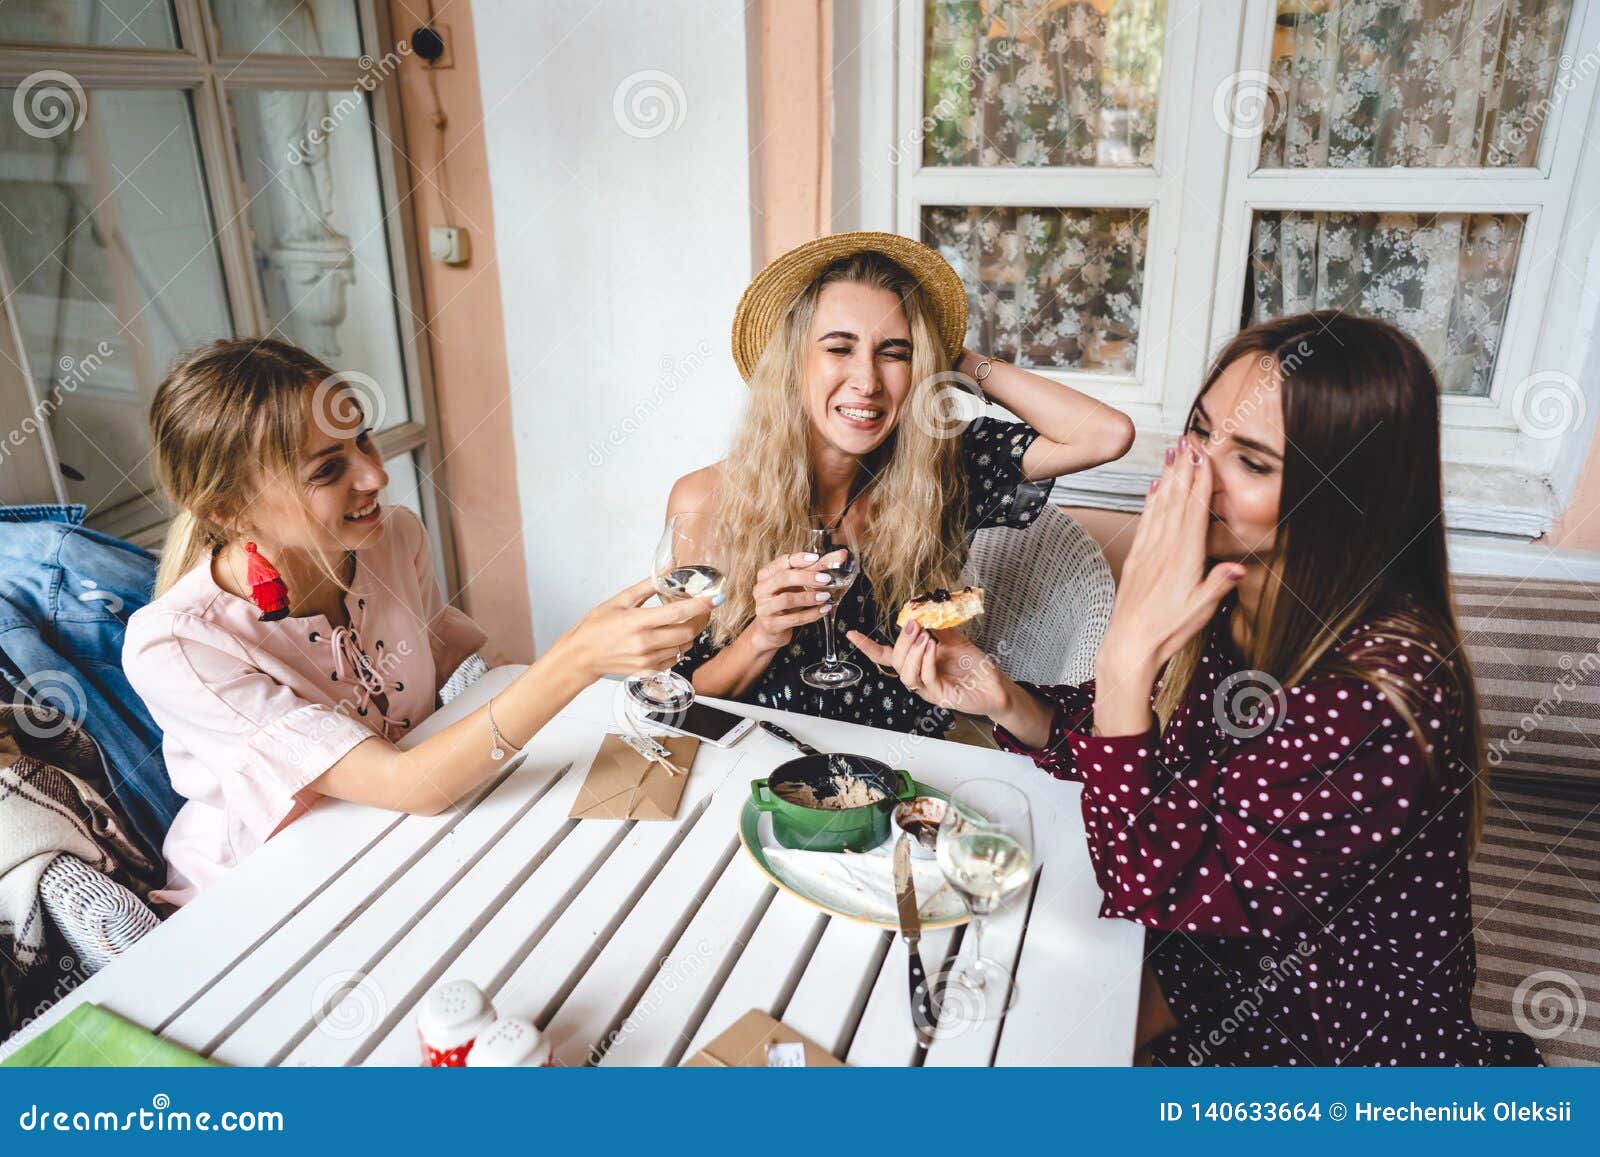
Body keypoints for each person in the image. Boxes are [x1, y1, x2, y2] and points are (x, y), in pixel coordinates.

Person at [854, 312, 1540, 1066]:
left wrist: (1124, 658)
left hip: (1319, 1033)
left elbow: (1142, 878)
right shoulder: (1237, 591)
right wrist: (1006, 699)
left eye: (1249, 460)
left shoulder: (1379, 696)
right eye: (1201, 432)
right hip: (1202, 957)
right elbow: (1157, 766)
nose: (1195, 474)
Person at [125, 339, 713, 906]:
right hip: (269, 894)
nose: (375, 477)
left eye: (363, 442)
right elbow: (409, 785)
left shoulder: (393, 538)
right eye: (328, 471)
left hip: (408, 839)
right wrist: (578, 659)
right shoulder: (177, 645)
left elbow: (467, 682)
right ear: (229, 510)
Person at [667, 232, 1133, 737]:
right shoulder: (706, 501)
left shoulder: (942, 471)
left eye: (894, 353)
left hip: (909, 767)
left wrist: (956, 359)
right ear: (793, 362)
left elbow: (1107, 435)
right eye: (840, 348)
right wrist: (763, 635)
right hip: (761, 768)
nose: (867, 380)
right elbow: (680, 702)